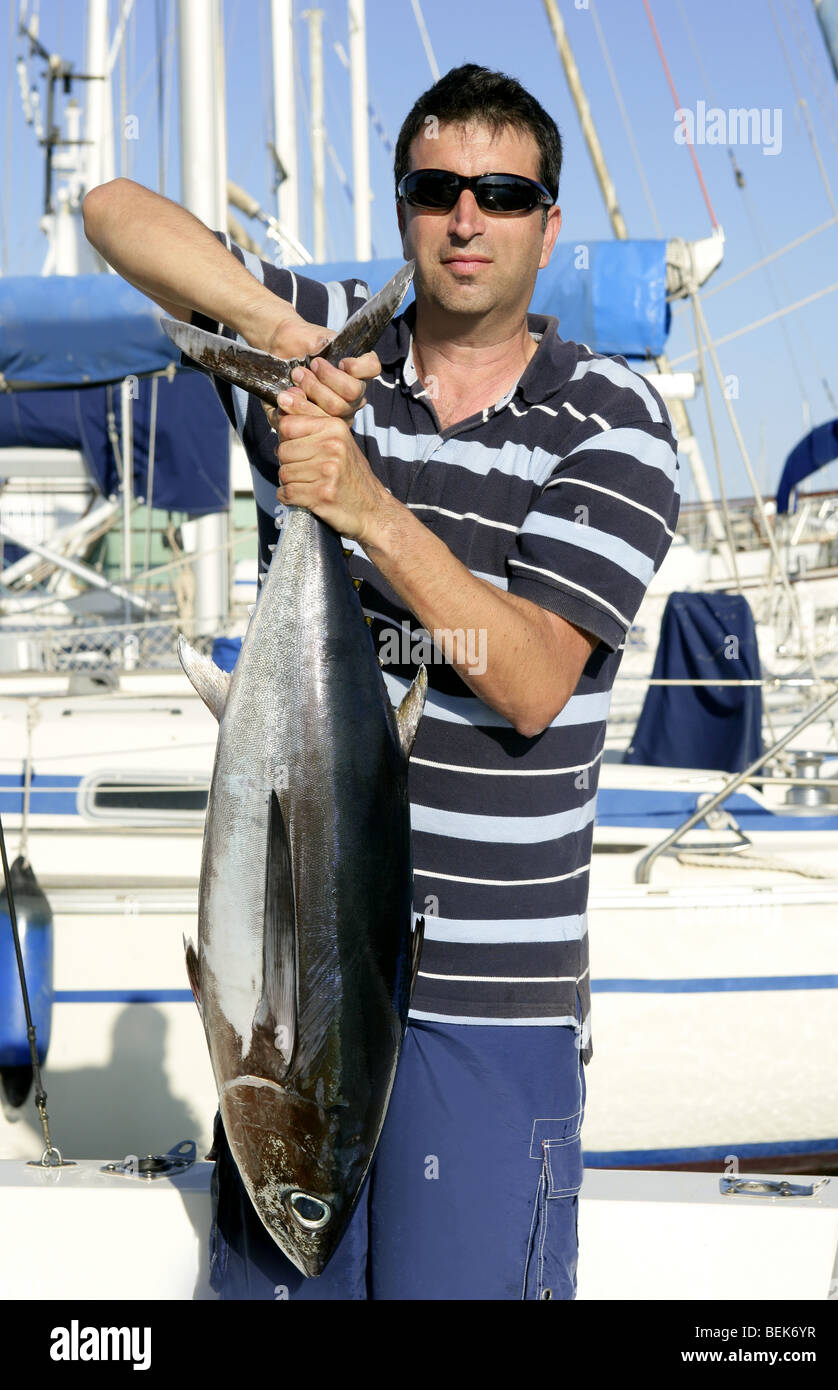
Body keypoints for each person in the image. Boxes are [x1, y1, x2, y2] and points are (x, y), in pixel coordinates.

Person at [83, 63, 679, 1301]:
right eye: (437, 187)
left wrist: (356, 500)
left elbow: (523, 679)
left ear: (546, 223)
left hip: (484, 1013)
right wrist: (285, 336)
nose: (467, 217)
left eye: (502, 192)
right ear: (406, 205)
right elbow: (110, 213)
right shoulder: (341, 356)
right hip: (287, 995)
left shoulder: (609, 421)